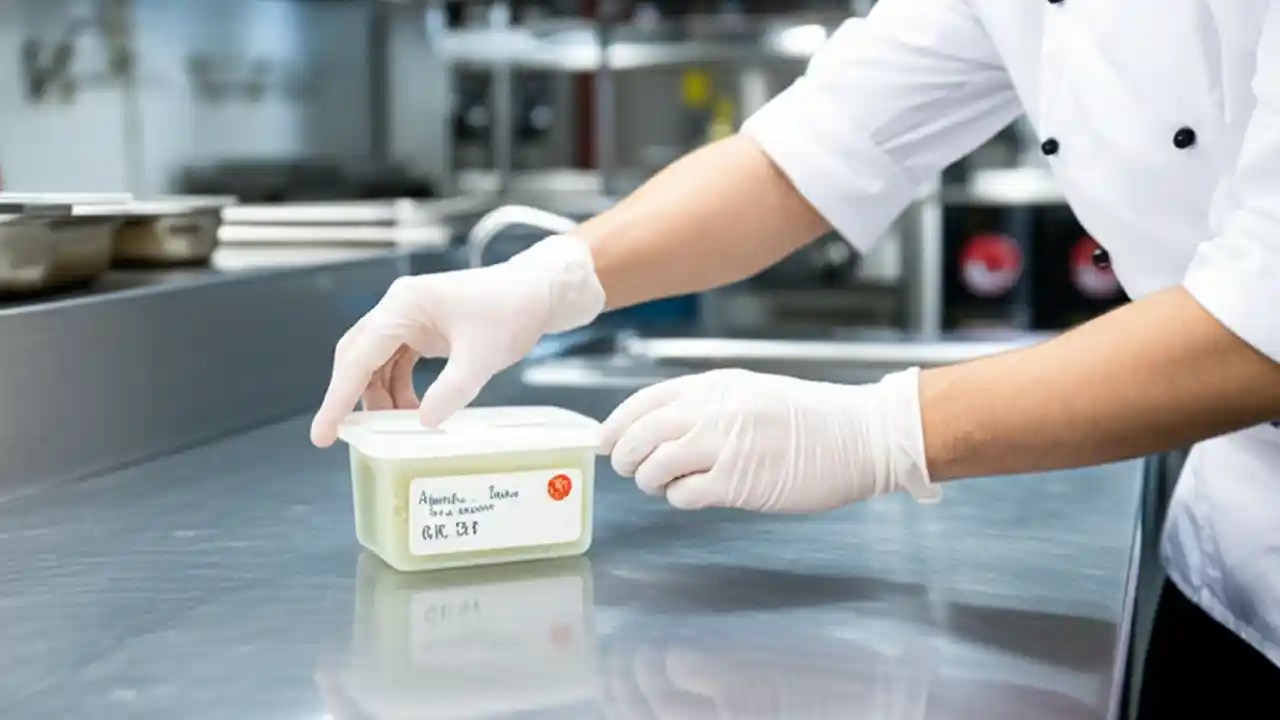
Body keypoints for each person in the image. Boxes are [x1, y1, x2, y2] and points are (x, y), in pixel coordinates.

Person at [311, 1, 1280, 713]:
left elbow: (1259, 325)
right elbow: (806, 154)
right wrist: (546, 279)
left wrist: (877, 430)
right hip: (1226, 550)